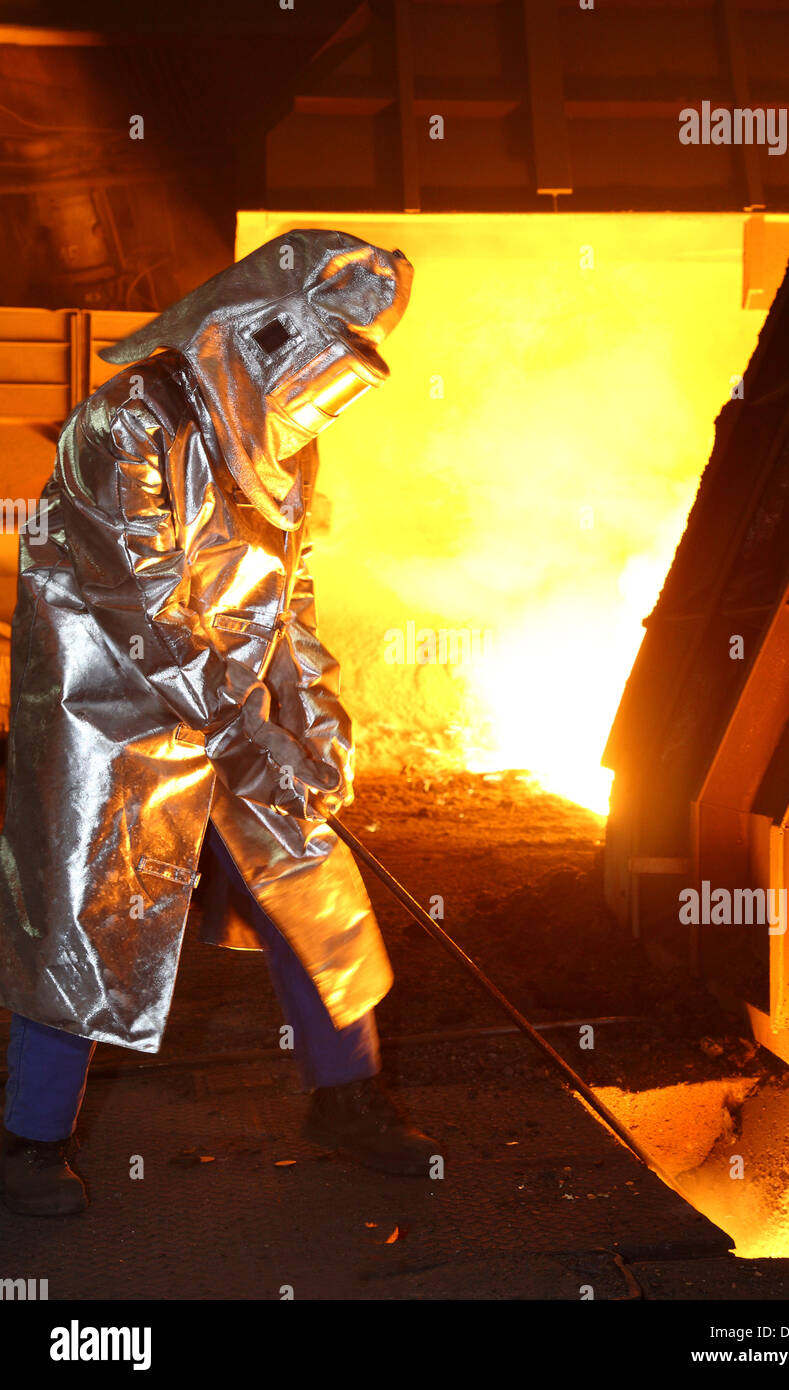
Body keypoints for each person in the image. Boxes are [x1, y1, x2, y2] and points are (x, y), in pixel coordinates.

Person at [0, 229, 438, 1215]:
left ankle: (346, 1097)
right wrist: (247, 730)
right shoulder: (125, 423)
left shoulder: (286, 441)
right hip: (107, 704)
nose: (309, 403)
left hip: (228, 696)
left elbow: (290, 597)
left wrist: (316, 724)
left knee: (309, 874)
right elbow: (142, 600)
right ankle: (28, 1142)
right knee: (87, 911)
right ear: (257, 329)